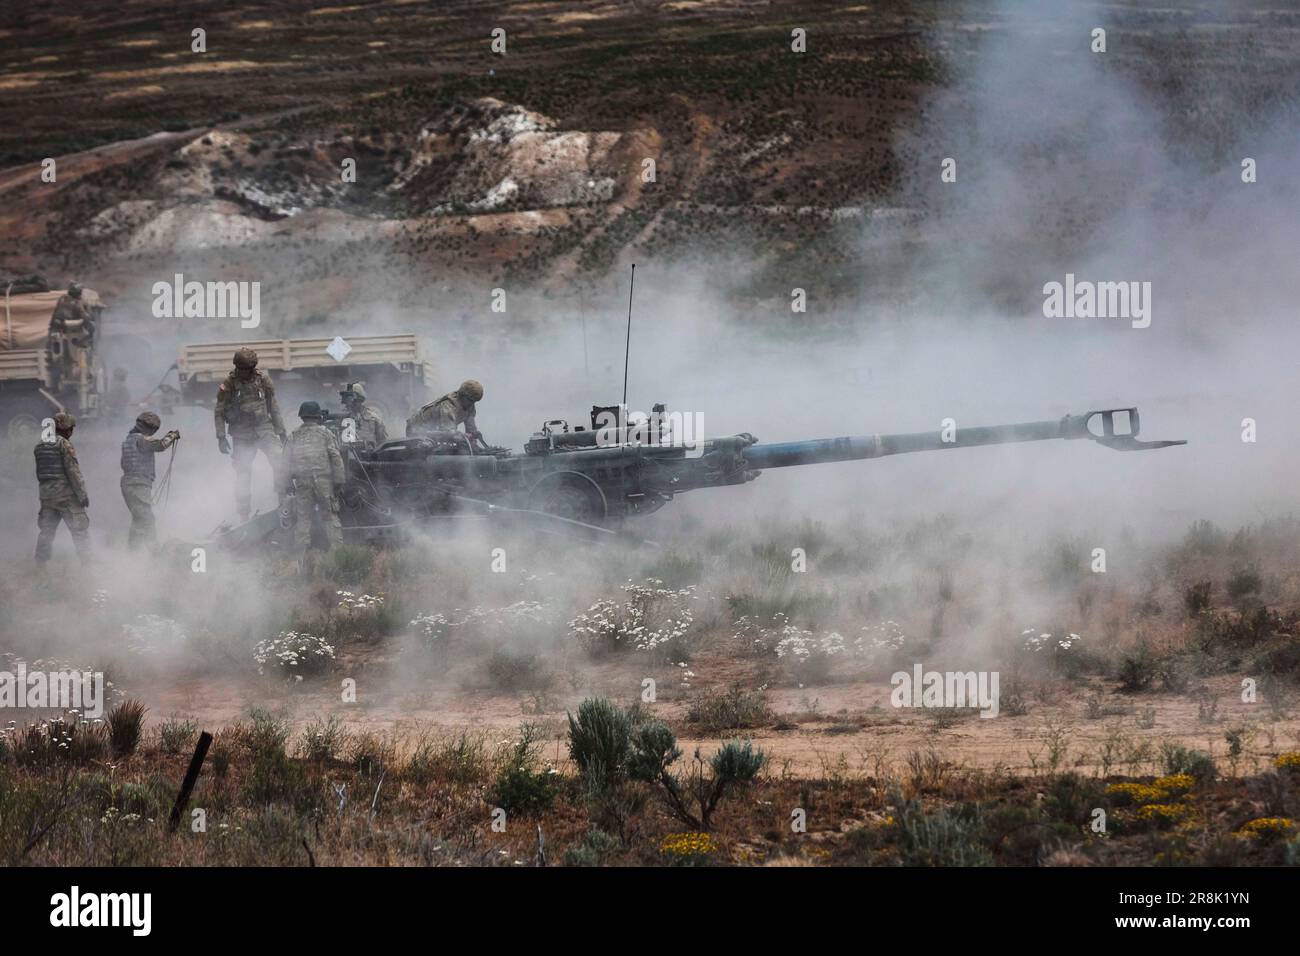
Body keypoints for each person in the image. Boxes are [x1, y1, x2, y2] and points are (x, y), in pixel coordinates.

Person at [214, 347, 287, 522]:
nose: (243, 372)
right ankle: (243, 515)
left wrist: (281, 431)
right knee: (243, 472)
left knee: (280, 461)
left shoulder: (263, 380)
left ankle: (284, 502)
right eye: (240, 368)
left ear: (253, 367)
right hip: (241, 433)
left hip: (263, 428)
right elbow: (219, 411)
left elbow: (273, 407)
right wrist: (221, 437)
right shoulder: (229, 384)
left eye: (246, 368)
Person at [283, 400, 344, 558]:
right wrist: (339, 481)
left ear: (302, 416)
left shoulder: (293, 435)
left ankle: (301, 557)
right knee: (330, 516)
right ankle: (338, 554)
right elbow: (336, 457)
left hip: (303, 483)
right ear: (318, 416)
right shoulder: (325, 433)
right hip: (324, 482)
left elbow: (285, 462)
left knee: (303, 519)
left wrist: (288, 484)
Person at [34, 411, 90, 563]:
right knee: (80, 531)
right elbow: (73, 472)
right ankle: (88, 564)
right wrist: (82, 494)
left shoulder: (40, 445)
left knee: (46, 532)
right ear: (66, 429)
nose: (72, 432)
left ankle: (40, 564)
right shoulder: (64, 444)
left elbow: (41, 472)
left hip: (46, 496)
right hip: (66, 497)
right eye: (71, 428)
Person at [120, 411, 180, 550]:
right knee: (147, 519)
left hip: (129, 483)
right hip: (138, 484)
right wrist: (172, 435)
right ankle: (154, 553)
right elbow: (160, 445)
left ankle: (133, 552)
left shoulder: (128, 439)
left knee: (138, 519)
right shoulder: (140, 439)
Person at [406, 379, 486, 446]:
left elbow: (470, 430)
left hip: (435, 431)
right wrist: (463, 437)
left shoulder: (469, 405)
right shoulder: (448, 406)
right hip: (417, 429)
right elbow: (449, 433)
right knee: (428, 448)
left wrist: (475, 435)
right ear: (462, 395)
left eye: (475, 401)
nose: (472, 404)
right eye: (470, 400)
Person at [340, 382, 387, 448]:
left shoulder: (373, 418)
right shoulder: (339, 419)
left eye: (355, 401)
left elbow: (382, 442)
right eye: (348, 401)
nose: (351, 404)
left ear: (361, 400)